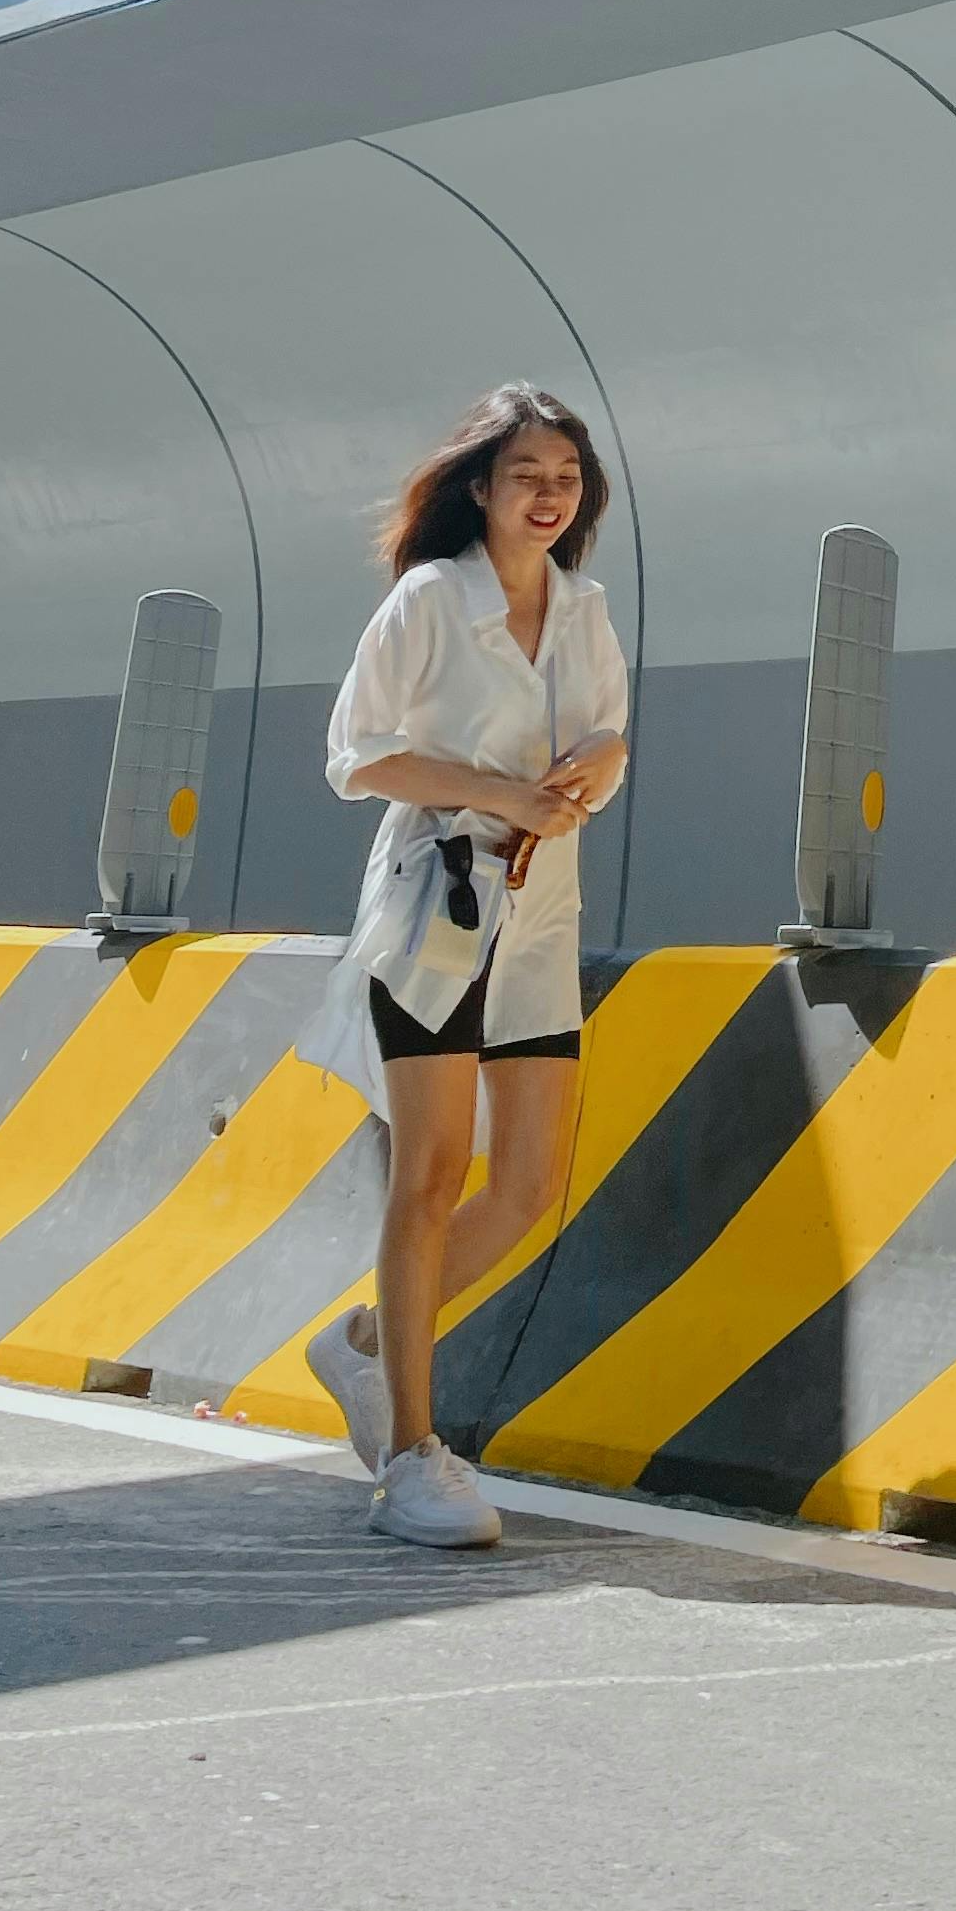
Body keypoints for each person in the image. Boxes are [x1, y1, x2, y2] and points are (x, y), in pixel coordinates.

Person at [298, 382, 629, 1549]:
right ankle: (410, 1459)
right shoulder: (430, 600)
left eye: (568, 479)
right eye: (528, 475)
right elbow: (355, 755)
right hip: (433, 910)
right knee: (428, 1179)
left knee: (530, 1187)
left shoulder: (584, 610)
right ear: (480, 487)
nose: (549, 497)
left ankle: (369, 1349)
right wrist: (491, 789)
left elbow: (608, 738)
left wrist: (599, 757)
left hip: (537, 920)